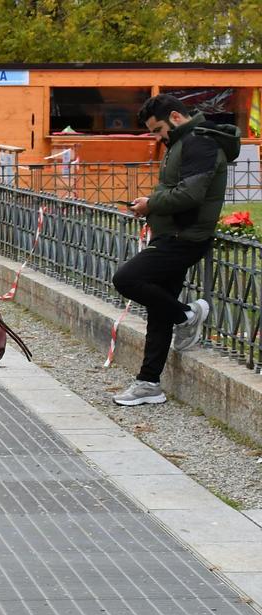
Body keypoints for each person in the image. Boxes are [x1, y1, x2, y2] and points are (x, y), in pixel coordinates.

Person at [112, 94, 240, 406]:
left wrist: (151, 203)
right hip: (172, 234)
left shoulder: (200, 143)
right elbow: (176, 189)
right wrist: (149, 204)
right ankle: (148, 383)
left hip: (185, 238)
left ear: (176, 117)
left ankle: (187, 315)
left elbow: (191, 194)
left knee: (126, 279)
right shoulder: (182, 143)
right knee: (159, 310)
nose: (157, 138)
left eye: (158, 130)